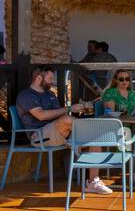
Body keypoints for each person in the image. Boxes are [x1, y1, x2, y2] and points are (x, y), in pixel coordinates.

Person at [16, 66, 111, 194]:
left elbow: (59, 116)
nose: (52, 82)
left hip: (60, 132)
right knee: (70, 120)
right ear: (39, 78)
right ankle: (86, 137)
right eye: (49, 79)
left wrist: (78, 109)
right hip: (38, 135)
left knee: (94, 139)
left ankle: (93, 182)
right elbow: (41, 115)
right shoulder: (26, 95)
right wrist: (69, 109)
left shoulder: (50, 94)